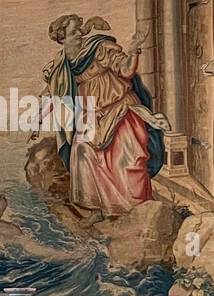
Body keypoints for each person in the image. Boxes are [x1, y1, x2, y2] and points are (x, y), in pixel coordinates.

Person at [33, 14, 167, 219]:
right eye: (73, 32)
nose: (79, 34)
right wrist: (38, 121)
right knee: (82, 153)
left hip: (120, 108)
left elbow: (126, 70)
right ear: (62, 39)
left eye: (79, 29)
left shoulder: (98, 48)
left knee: (127, 161)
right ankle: (99, 208)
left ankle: (137, 212)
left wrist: (133, 48)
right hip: (92, 115)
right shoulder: (61, 65)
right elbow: (52, 92)